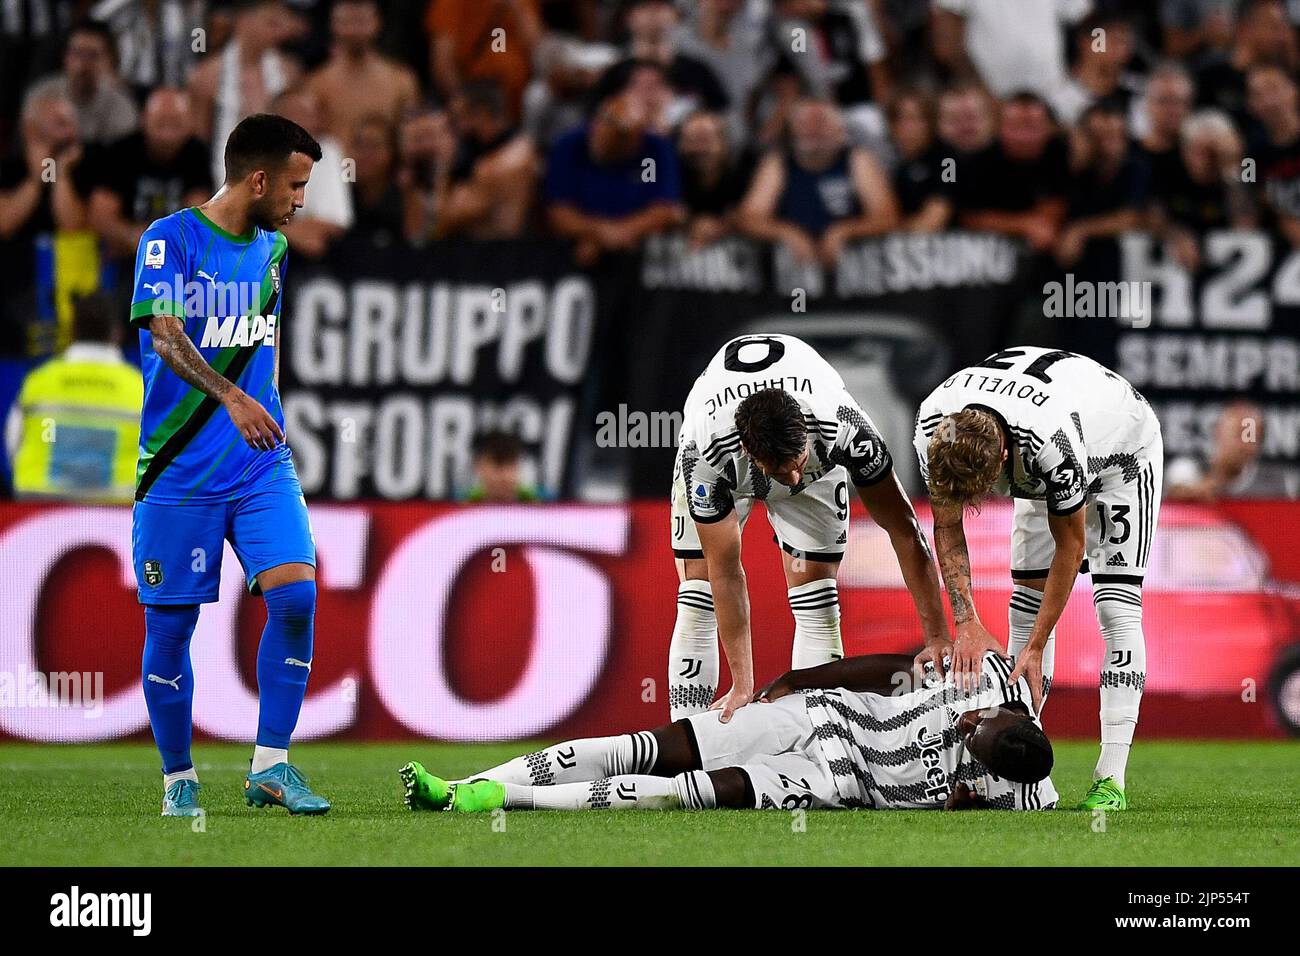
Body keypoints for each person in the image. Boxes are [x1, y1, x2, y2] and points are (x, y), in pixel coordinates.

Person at [130, 112, 329, 817]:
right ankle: (178, 779)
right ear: (258, 178)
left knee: (297, 595)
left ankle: (271, 766)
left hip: (258, 467)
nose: (300, 202)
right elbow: (164, 337)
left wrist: (253, 403)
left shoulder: (273, 252)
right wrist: (232, 396)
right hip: (178, 470)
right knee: (172, 630)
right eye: (296, 186)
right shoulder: (169, 240)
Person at [914, 346, 1164, 811]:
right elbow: (947, 524)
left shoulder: (1052, 446)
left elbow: (1071, 549)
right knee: (1022, 608)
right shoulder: (935, 425)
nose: (976, 502)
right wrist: (965, 621)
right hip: (1040, 440)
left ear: (1004, 455)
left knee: (1116, 608)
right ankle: (1016, 775)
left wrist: (1036, 647)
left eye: (983, 490)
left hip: (1120, 454)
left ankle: (1111, 780)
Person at [667, 334, 948, 725]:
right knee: (697, 596)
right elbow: (726, 572)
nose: (795, 477)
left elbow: (904, 530)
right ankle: (686, 745)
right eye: (782, 472)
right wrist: (743, 683)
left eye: (798, 460)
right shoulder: (707, 452)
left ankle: (818, 738)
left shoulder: (845, 429)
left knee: (818, 602)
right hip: (728, 467)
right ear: (750, 452)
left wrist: (936, 636)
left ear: (805, 431)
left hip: (815, 456)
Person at [399, 650, 1056, 813]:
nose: (967, 728)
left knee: (688, 791)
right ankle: (458, 784)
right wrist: (806, 674)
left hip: (830, 781)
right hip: (821, 714)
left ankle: (499, 798)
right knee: (650, 747)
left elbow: (1008, 799)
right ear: (1009, 714)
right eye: (979, 726)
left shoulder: (1020, 791)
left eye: (976, 744)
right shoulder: (993, 677)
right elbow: (897, 669)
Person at [6, 292, 142, 503]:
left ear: (72, 330)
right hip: (116, 511)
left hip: (40, 506)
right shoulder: (138, 388)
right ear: (117, 333)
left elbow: (13, 442)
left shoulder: (39, 382)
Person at [737, 97, 899, 266]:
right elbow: (749, 218)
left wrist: (846, 230)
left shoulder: (857, 160)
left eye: (821, 121)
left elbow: (887, 217)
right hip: (795, 273)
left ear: (839, 129)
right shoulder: (778, 163)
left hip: (853, 270)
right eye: (804, 122)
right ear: (792, 129)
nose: (812, 130)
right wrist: (786, 232)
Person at [544, 92, 684, 265]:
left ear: (637, 138)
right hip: (577, 249)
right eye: (600, 128)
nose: (602, 141)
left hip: (637, 250)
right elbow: (559, 213)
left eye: (619, 138)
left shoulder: (651, 154)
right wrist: (601, 233)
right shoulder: (569, 147)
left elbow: (663, 209)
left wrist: (623, 232)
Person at [86, 87, 213, 261]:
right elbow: (100, 217)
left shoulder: (197, 153)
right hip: (126, 261)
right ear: (143, 120)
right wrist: (134, 237)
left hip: (179, 261)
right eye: (160, 123)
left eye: (176, 124)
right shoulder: (120, 152)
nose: (167, 135)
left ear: (190, 123)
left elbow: (199, 218)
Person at [952, 92, 1069, 254]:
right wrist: (1024, 225)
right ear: (999, 128)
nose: (1023, 136)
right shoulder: (971, 162)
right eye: (1014, 126)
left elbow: (1058, 205)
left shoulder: (1061, 154)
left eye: (1032, 127)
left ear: (1049, 129)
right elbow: (968, 217)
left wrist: (1038, 224)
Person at [302, 0, 419, 143]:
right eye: (346, 22)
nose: (354, 30)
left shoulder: (401, 80)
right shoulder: (316, 83)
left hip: (386, 162)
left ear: (378, 22)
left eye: (361, 21)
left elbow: (409, 133)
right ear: (333, 25)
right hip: (336, 162)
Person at [1056, 99, 1148, 267]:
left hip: (1114, 273)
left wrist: (1081, 230)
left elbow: (1131, 218)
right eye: (1099, 137)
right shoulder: (1064, 167)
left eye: (1115, 135)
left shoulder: (1135, 168)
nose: (1108, 145)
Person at [23, 20, 138, 147]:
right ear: (65, 58)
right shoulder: (41, 96)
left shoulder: (121, 106)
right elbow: (38, 159)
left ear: (109, 62)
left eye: (93, 56)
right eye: (76, 53)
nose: (82, 65)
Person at [1166, 400, 1299, 499]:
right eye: (1239, 434)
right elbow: (1176, 492)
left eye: (1254, 438)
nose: (1245, 446)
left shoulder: (1276, 485)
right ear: (1217, 432)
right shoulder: (1189, 468)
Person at [461, 430, 542, 503]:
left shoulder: (537, 508)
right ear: (478, 466)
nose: (506, 475)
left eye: (511, 464)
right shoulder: (465, 508)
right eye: (498, 465)